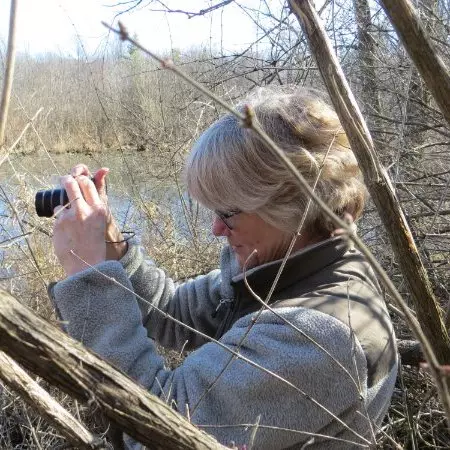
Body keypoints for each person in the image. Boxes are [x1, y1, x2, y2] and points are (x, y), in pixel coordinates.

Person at [50, 86, 398, 449]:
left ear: (292, 206)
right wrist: (114, 249)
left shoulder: (317, 339)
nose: (216, 229)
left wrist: (88, 276)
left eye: (227, 213)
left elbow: (157, 431)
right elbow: (174, 313)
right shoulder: (290, 263)